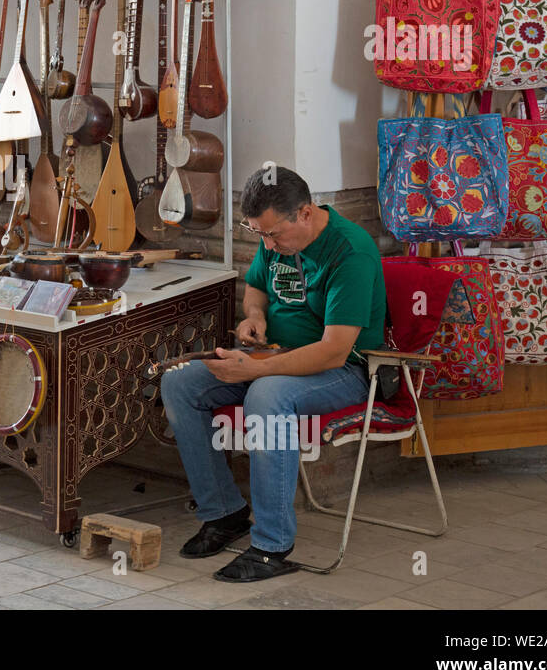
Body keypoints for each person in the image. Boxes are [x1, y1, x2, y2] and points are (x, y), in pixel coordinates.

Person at [160, 165, 386, 582]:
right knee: (179, 381)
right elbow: (257, 288)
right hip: (275, 358)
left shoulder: (350, 250)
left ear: (304, 213)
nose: (267, 244)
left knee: (267, 395)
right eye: (258, 234)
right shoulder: (275, 236)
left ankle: (271, 546)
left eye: (273, 235)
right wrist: (254, 318)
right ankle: (224, 513)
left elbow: (335, 351)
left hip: (346, 372)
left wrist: (254, 369)